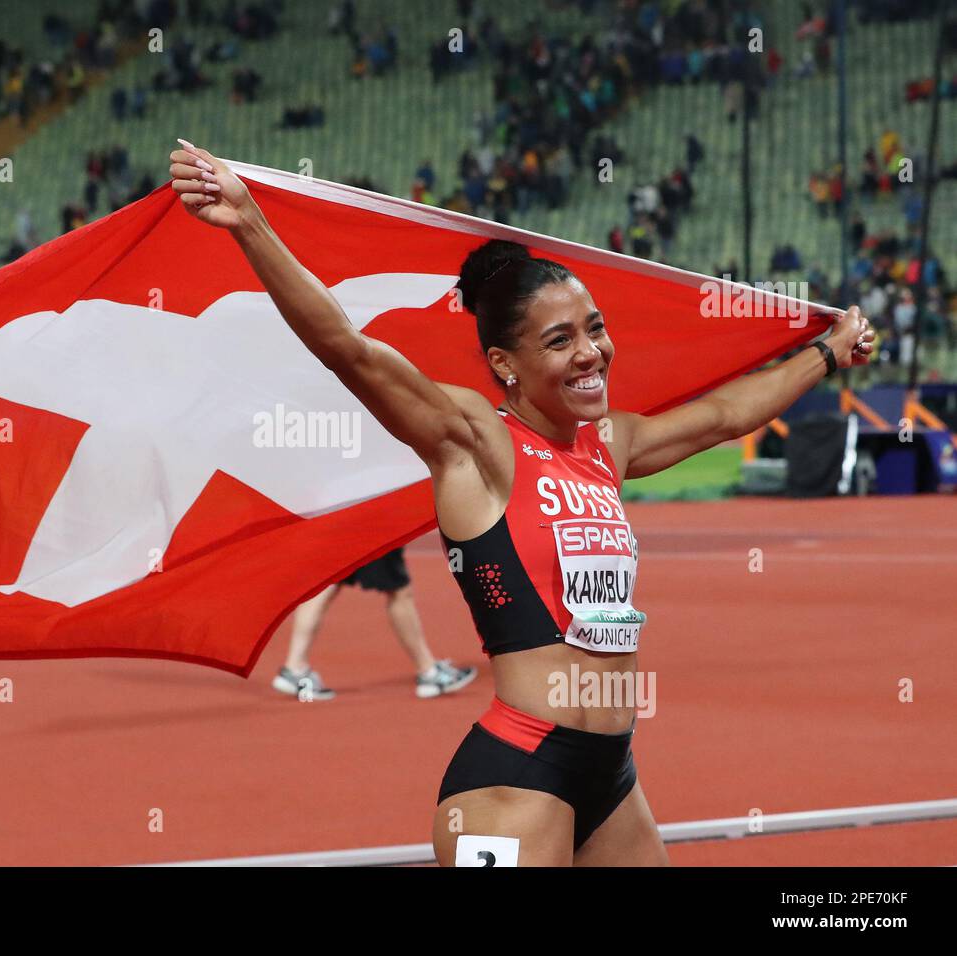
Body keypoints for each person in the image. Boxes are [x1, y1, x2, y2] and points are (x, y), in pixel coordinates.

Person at [169, 139, 877, 866]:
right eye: (561, 339)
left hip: (613, 775)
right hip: (517, 774)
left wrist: (826, 353)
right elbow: (348, 348)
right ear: (505, 365)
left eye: (595, 329)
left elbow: (726, 415)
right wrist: (249, 222)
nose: (591, 352)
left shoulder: (610, 443)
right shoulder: (475, 443)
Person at [273, 547, 478, 701]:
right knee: (399, 591)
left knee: (328, 582)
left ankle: (295, 667)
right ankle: (429, 672)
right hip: (372, 515)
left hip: (344, 511)